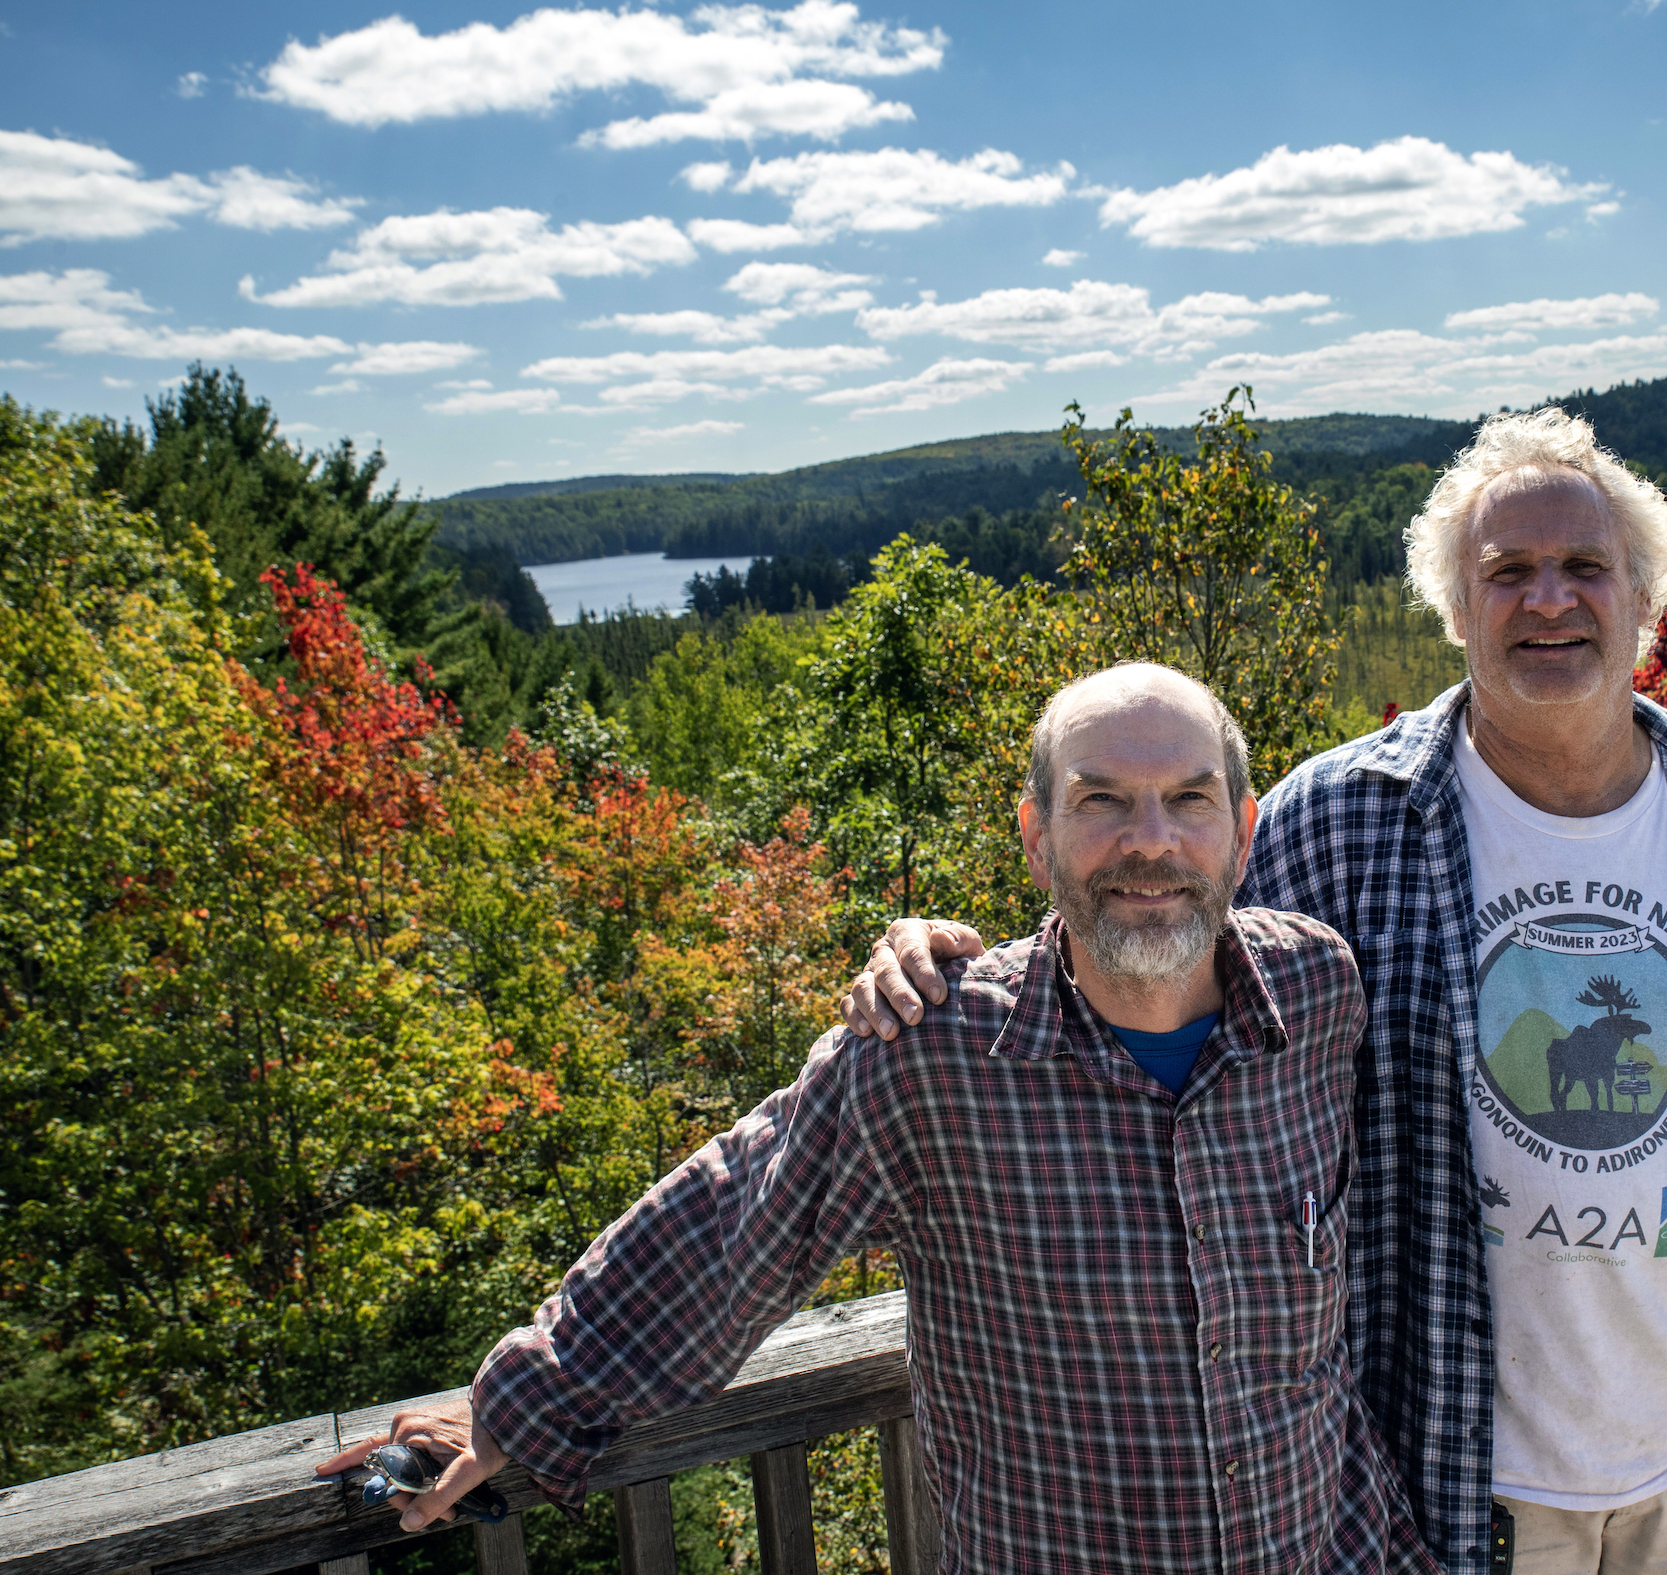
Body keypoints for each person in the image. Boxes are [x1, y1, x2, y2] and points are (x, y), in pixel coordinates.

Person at [844, 407, 1667, 1574]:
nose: (1548, 600)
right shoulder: (1335, 822)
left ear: (1645, 599)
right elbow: (1146, 949)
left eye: (1586, 567)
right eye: (1507, 573)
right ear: (1453, 607)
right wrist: (949, 967)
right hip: (1451, 1480)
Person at [317, 663, 1437, 1575]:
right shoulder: (932, 1055)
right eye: (1100, 800)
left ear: (1240, 826)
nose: (1151, 840)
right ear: (1037, 834)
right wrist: (516, 1410)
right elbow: (731, 1229)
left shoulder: (1316, 995)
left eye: (1188, 798)